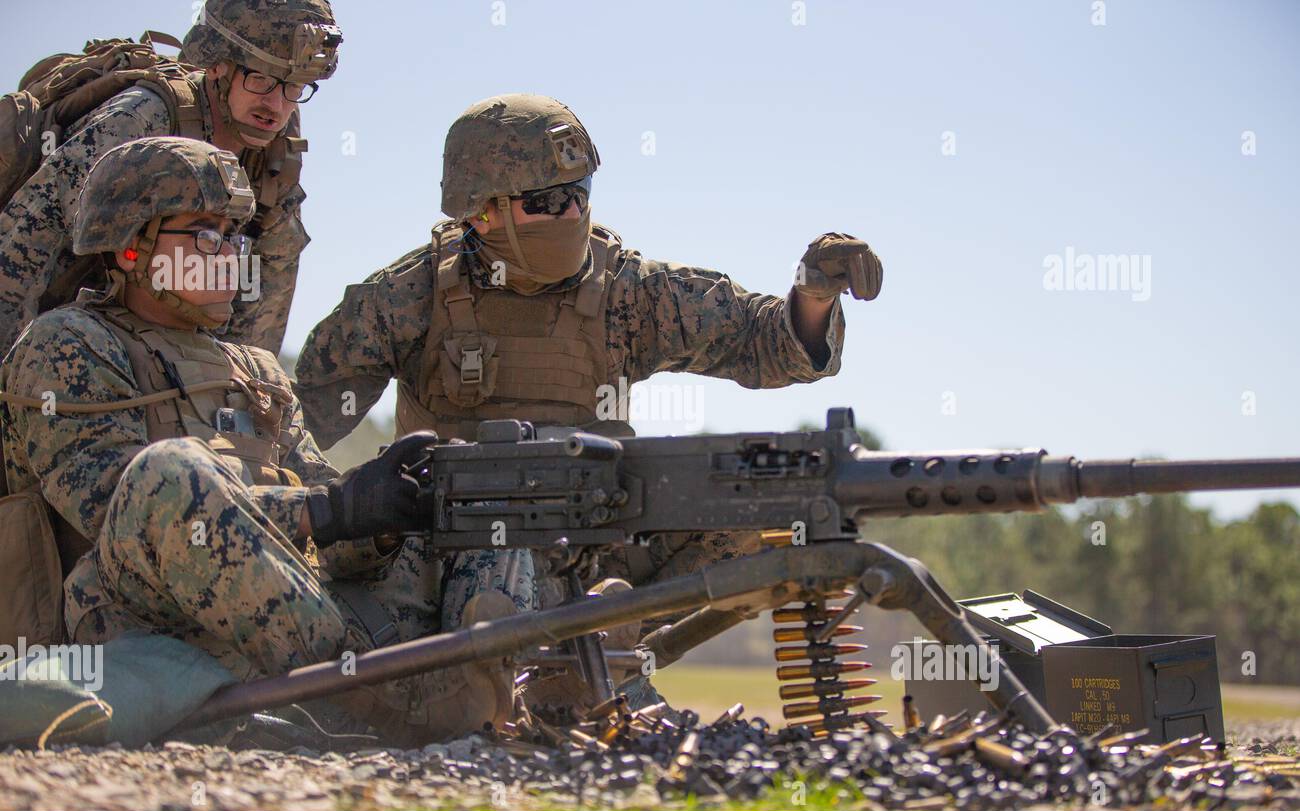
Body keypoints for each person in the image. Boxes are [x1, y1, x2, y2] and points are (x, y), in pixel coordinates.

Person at [294, 94, 883, 708]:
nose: (572, 211)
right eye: (546, 201)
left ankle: (601, 661)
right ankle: (495, 687)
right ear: (480, 211)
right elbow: (298, 423)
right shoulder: (409, 297)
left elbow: (760, 340)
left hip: (591, 548)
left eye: (581, 190)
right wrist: (353, 517)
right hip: (450, 553)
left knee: (751, 498)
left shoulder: (625, 292)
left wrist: (813, 296)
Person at [0, 137, 530, 745]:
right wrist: (324, 511)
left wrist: (378, 512)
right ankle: (398, 703)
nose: (230, 255)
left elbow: (330, 534)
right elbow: (121, 512)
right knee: (168, 473)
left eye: (236, 237)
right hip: (135, 623)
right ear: (130, 248)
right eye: (205, 236)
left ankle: (495, 684)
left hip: (287, 616)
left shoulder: (257, 371)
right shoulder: (67, 344)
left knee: (476, 487)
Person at [0, 0, 343, 356]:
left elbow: (266, 290)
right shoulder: (139, 120)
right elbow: (20, 252)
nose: (276, 106)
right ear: (216, 65)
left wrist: (245, 392)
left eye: (294, 87)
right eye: (260, 79)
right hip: (54, 337)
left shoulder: (274, 156)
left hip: (146, 345)